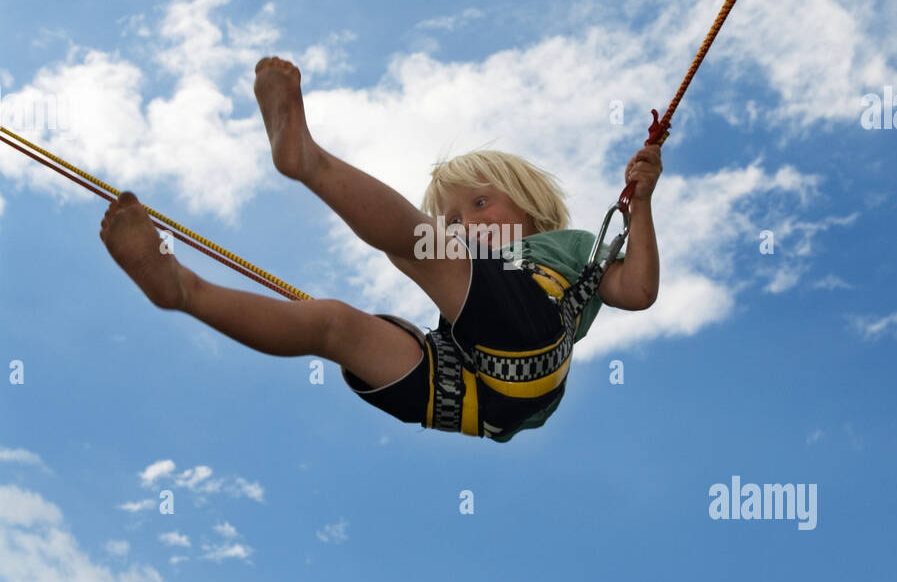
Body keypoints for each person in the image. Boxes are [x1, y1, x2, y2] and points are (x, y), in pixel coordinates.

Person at [100, 57, 662, 441]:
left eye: (479, 205)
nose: (463, 223)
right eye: (452, 216)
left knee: (422, 247)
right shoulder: (468, 277)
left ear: (531, 209)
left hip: (532, 352)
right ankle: (184, 290)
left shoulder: (568, 249)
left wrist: (642, 208)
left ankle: (308, 161)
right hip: (464, 395)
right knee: (334, 326)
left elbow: (637, 291)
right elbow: (421, 250)